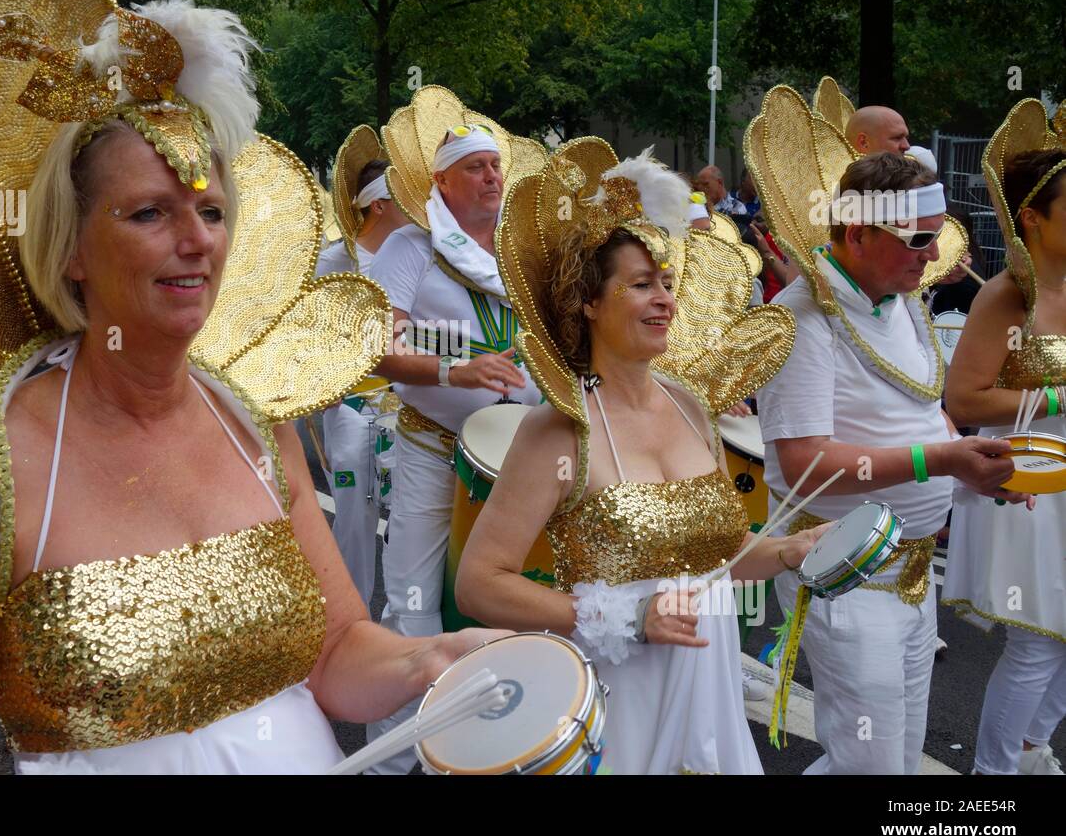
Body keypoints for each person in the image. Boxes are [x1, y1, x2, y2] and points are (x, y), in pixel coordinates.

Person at [0, 0, 498, 774]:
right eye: (150, 212)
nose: (197, 242)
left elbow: (335, 653)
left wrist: (422, 663)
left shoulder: (256, 421)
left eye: (212, 212)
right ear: (72, 248)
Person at [454, 141, 825, 773]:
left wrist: (787, 549)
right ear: (589, 304)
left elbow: (719, 556)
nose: (664, 300)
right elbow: (480, 584)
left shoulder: (689, 406)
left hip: (710, 683)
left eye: (668, 284)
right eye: (641, 285)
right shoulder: (560, 431)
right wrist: (626, 617)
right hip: (621, 695)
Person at [749, 134, 1029, 773]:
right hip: (847, 578)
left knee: (894, 760)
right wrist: (943, 463)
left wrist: (971, 469)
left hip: (908, 578)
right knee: (871, 764)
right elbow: (805, 464)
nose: (933, 255)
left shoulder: (900, 301)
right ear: (857, 235)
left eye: (936, 235)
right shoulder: (803, 320)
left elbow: (917, 412)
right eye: (917, 240)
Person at [363, 87, 545, 772]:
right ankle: (390, 760)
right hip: (431, 452)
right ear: (439, 183)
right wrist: (453, 372)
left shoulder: (522, 254)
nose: (492, 176)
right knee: (412, 603)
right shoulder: (412, 248)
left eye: (496, 165)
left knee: (512, 600)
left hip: (519, 461)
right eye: (474, 167)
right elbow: (375, 348)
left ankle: (491, 748)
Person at [944, 101, 1066, 776]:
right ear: (1032, 219)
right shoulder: (1006, 296)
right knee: (1037, 645)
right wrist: (1055, 395)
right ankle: (992, 778)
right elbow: (963, 399)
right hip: (1024, 482)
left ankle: (1027, 749)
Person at [315, 132, 409, 604]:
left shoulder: (418, 258)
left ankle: (402, 619)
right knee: (354, 517)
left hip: (405, 406)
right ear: (378, 205)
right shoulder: (333, 261)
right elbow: (309, 333)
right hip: (349, 406)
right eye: (402, 197)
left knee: (408, 520)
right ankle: (350, 622)